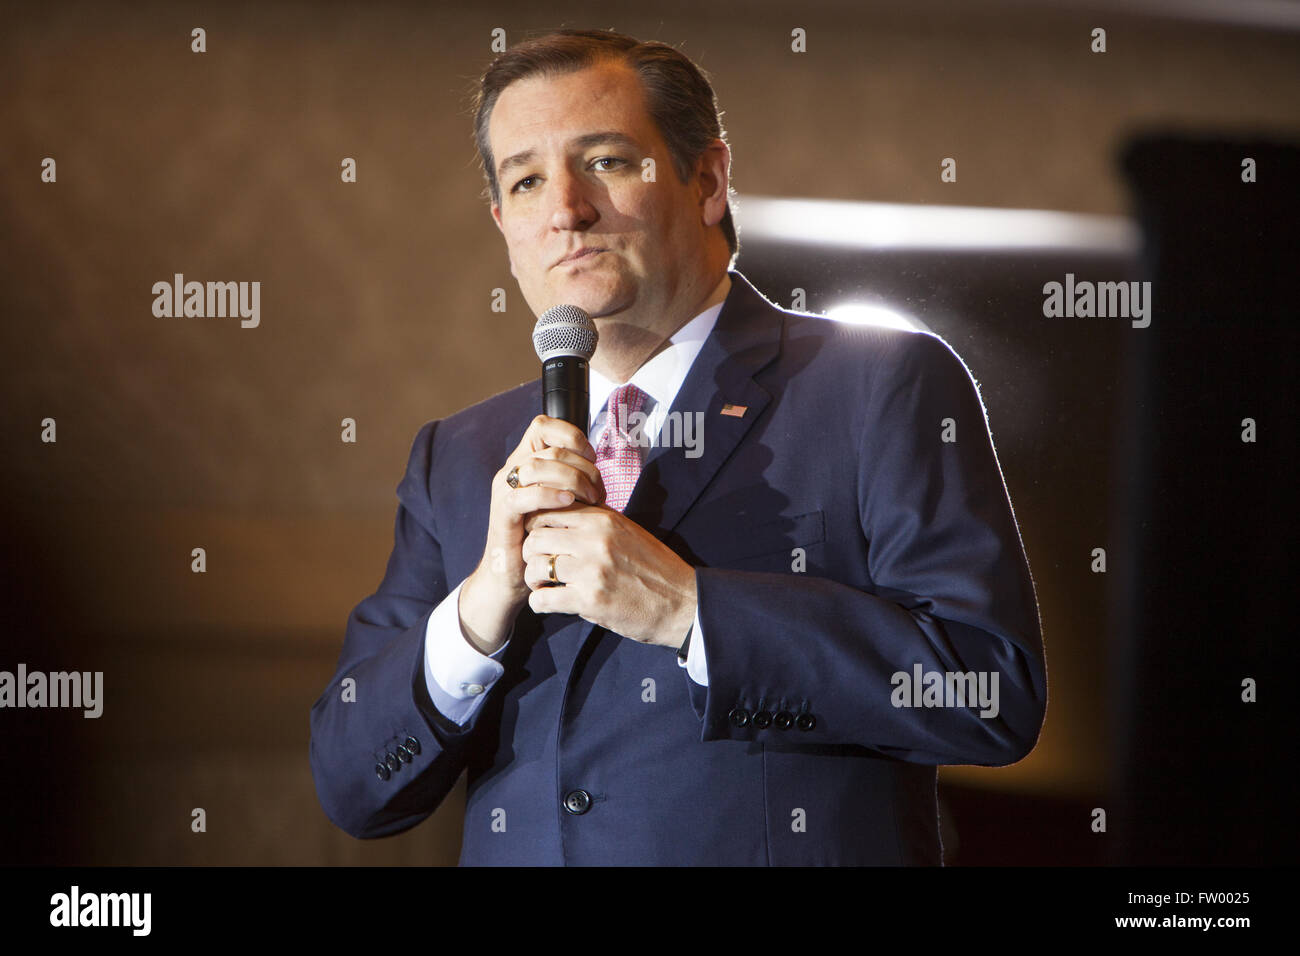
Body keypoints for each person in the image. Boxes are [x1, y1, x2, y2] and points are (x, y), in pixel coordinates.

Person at [308, 28, 1047, 865]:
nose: (565, 210)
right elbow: (350, 783)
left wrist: (690, 611)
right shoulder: (460, 455)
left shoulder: (878, 385)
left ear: (707, 179)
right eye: (525, 181)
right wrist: (483, 603)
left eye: (608, 162)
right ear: (503, 226)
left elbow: (989, 692)